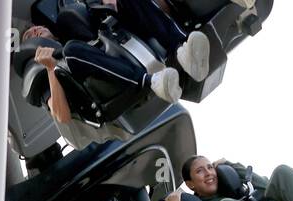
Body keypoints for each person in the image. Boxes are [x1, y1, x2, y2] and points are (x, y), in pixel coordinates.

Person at [26, 27, 181, 150]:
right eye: (28, 35)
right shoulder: (42, 73)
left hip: (130, 61)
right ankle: (149, 80)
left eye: (34, 27)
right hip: (105, 99)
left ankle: (181, 44)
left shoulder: (74, 30)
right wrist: (51, 68)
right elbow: (62, 116)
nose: (34, 30)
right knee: (72, 51)